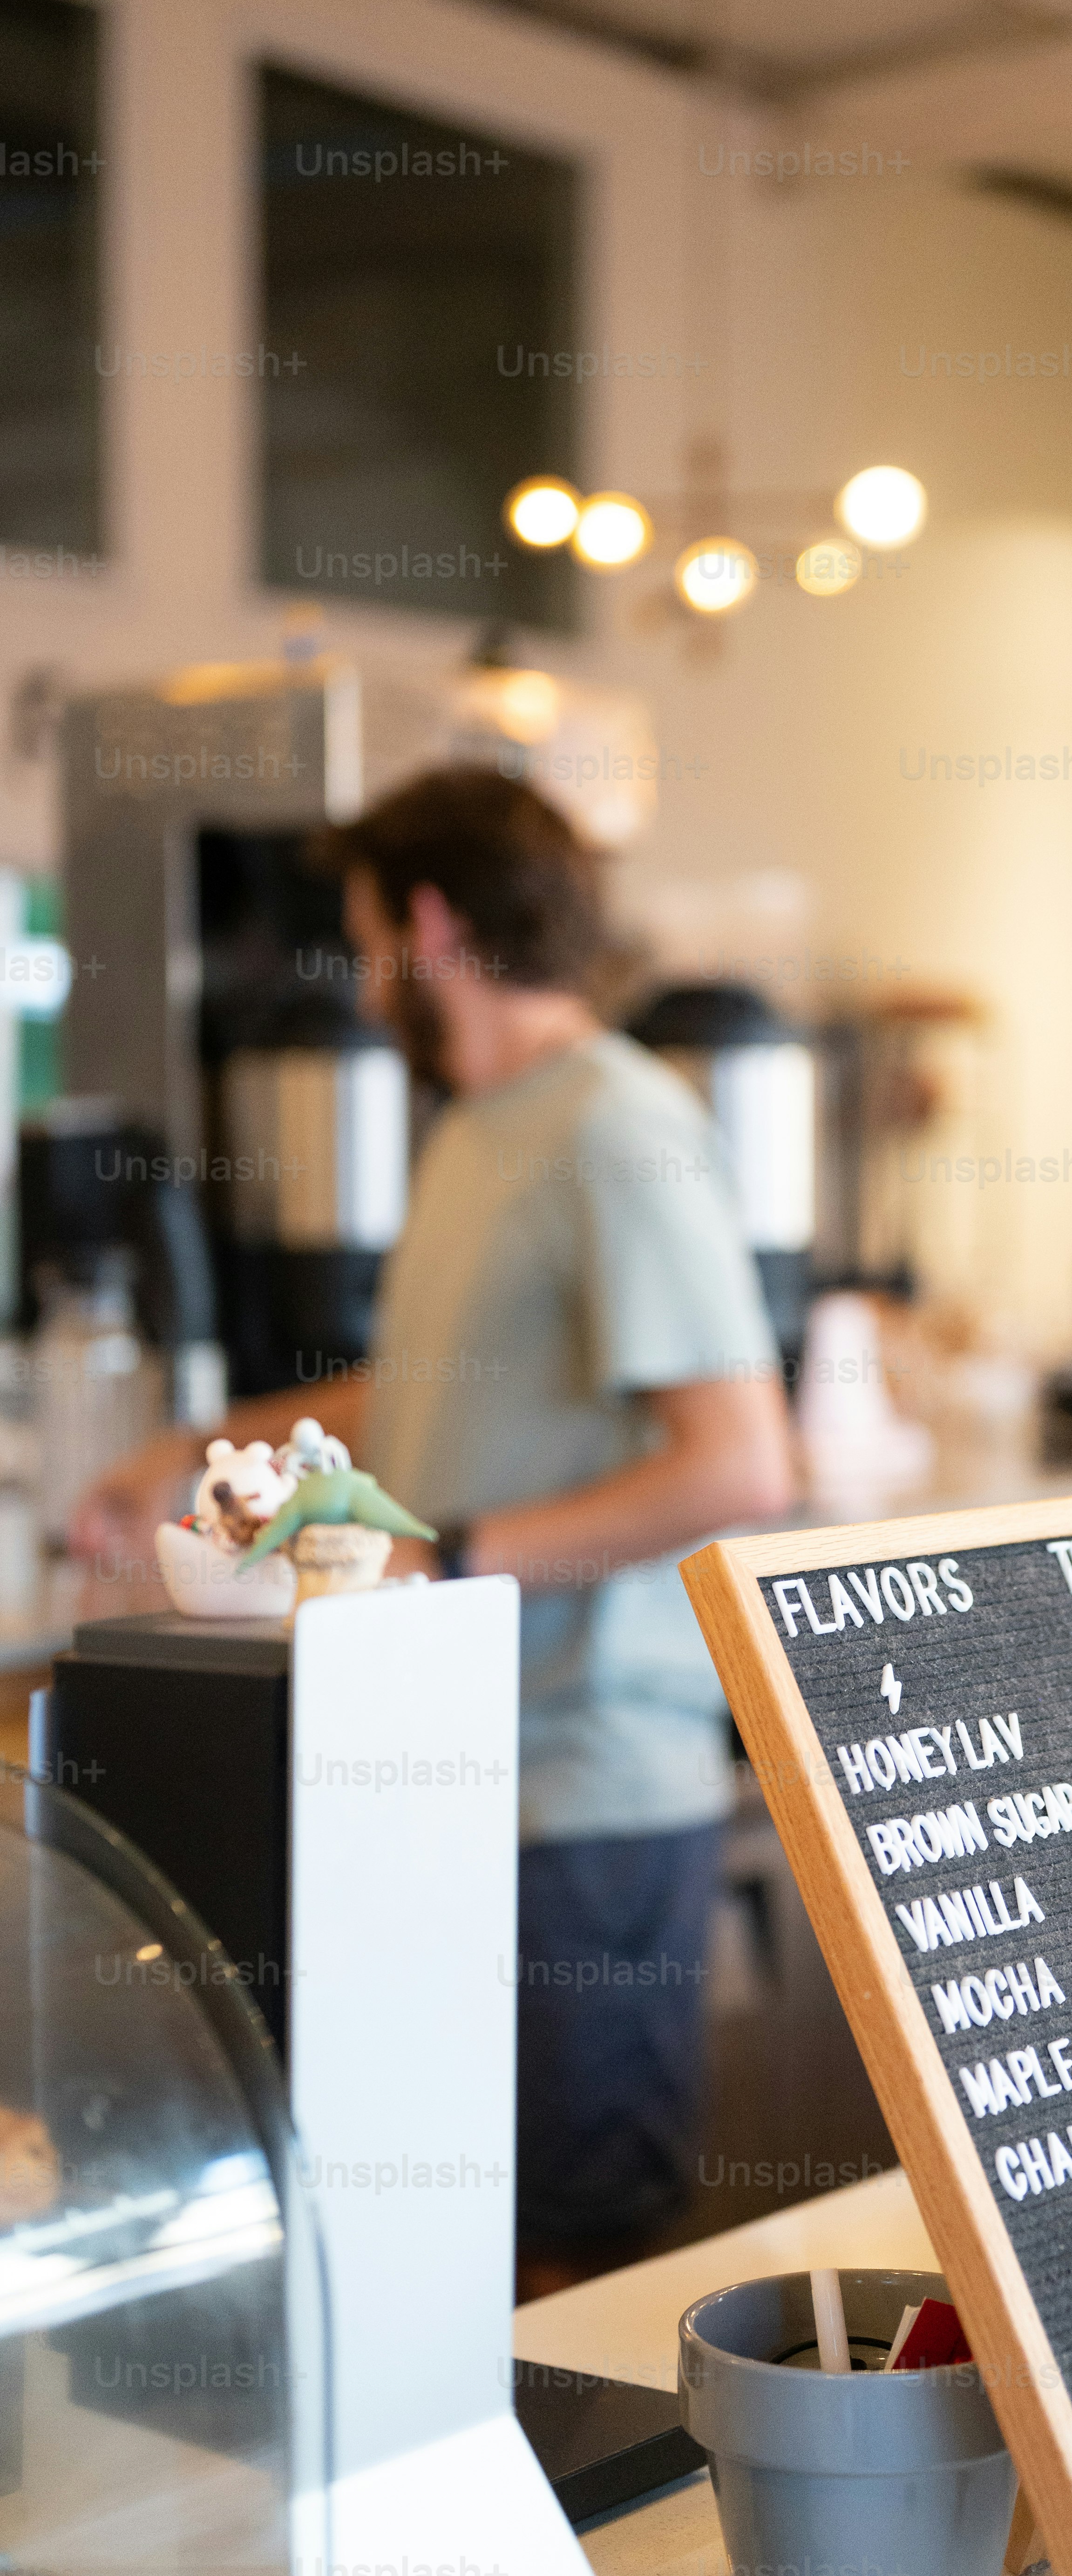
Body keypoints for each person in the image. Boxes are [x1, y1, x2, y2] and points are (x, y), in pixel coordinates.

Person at [72, 765, 794, 2283]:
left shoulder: (621, 1121)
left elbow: (740, 1462)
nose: (365, 975)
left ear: (428, 922)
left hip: (590, 1793)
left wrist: (449, 1555)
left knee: (581, 2282)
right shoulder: (484, 1127)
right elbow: (428, 1383)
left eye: (362, 935)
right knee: (449, 2262)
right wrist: (191, 1450)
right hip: (459, 1779)